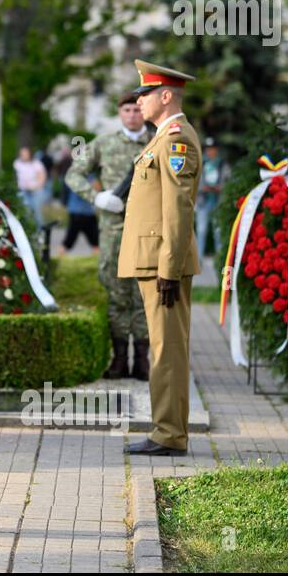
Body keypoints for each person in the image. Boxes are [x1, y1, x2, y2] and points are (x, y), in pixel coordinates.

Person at [118, 60, 202, 457]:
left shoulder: (175, 139)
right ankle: (167, 429)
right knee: (164, 347)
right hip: (154, 260)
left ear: (165, 97)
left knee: (167, 349)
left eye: (145, 94)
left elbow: (178, 208)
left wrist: (169, 267)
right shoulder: (162, 138)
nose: (140, 101)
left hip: (161, 264)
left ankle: (169, 435)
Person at [66, 93, 151, 378]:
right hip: (113, 229)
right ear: (120, 113)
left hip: (146, 228)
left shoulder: (157, 143)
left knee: (143, 293)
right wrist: (96, 197)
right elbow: (74, 174)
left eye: (137, 109)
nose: (132, 115)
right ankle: (119, 358)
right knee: (116, 292)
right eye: (127, 109)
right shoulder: (104, 143)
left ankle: (141, 359)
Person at [195, 136, 225, 259]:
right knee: (201, 231)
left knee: (218, 232)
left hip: (218, 201)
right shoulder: (200, 163)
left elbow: (226, 180)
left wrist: (220, 187)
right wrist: (203, 188)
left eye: (212, 148)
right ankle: (198, 259)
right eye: (208, 149)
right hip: (203, 201)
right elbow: (195, 181)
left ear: (216, 149)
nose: (210, 151)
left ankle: (220, 258)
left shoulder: (221, 163)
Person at [14, 146, 47, 227]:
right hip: (23, 190)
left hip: (35, 191)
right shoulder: (17, 163)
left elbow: (42, 176)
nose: (24, 155)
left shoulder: (36, 163)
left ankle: (39, 231)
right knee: (25, 212)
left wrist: (37, 186)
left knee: (37, 212)